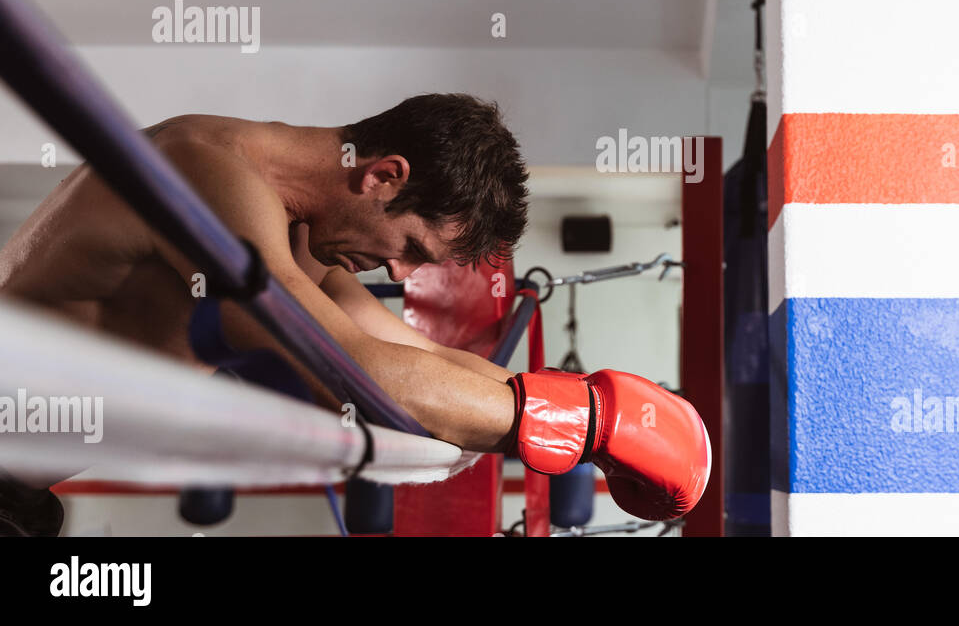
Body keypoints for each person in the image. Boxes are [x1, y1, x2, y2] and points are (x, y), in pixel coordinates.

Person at [0, 93, 709, 535]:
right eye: (409, 246)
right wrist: (587, 421)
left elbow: (413, 356)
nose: (401, 273)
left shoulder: (297, 238)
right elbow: (342, 367)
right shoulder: (206, 173)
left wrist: (597, 415)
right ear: (381, 175)